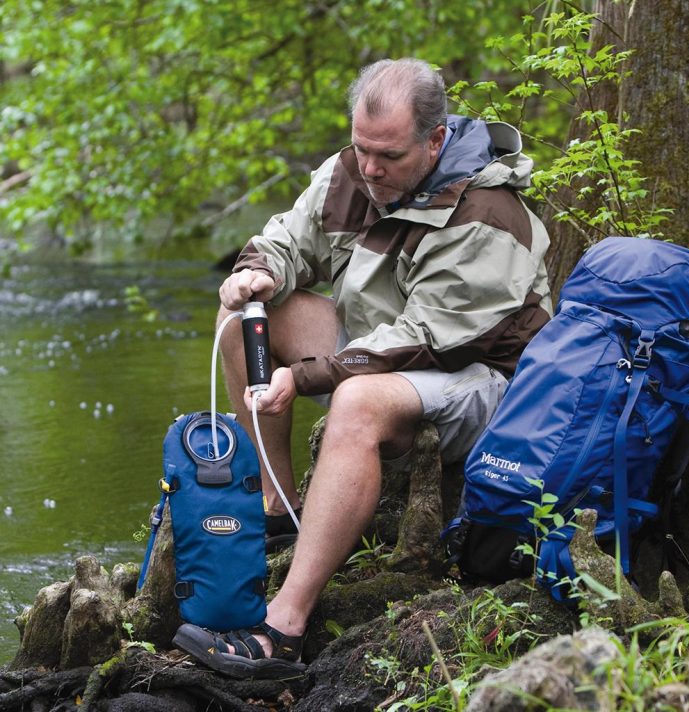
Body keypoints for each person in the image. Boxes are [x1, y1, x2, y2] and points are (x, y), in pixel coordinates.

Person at [173, 57, 552, 679]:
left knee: (357, 402)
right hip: (382, 349)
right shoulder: (356, 169)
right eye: (361, 148)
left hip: (484, 381)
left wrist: (314, 374)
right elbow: (291, 238)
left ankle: (283, 629)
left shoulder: (488, 212)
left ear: (435, 141)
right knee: (249, 319)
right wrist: (257, 269)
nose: (370, 168)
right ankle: (278, 507)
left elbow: (427, 339)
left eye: (389, 156)